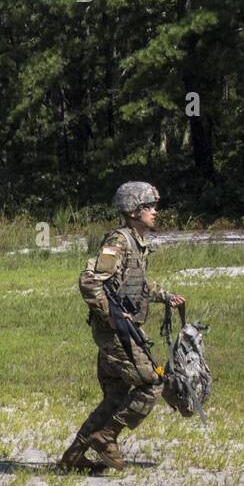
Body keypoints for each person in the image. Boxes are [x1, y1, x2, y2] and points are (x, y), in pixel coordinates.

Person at [62, 181, 185, 471]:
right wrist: (114, 317)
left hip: (122, 332)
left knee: (115, 396)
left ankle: (73, 459)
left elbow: (137, 285)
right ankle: (106, 437)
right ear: (133, 211)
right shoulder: (118, 242)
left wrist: (165, 297)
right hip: (116, 333)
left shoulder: (137, 243)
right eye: (148, 207)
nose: (155, 212)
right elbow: (89, 281)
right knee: (152, 383)